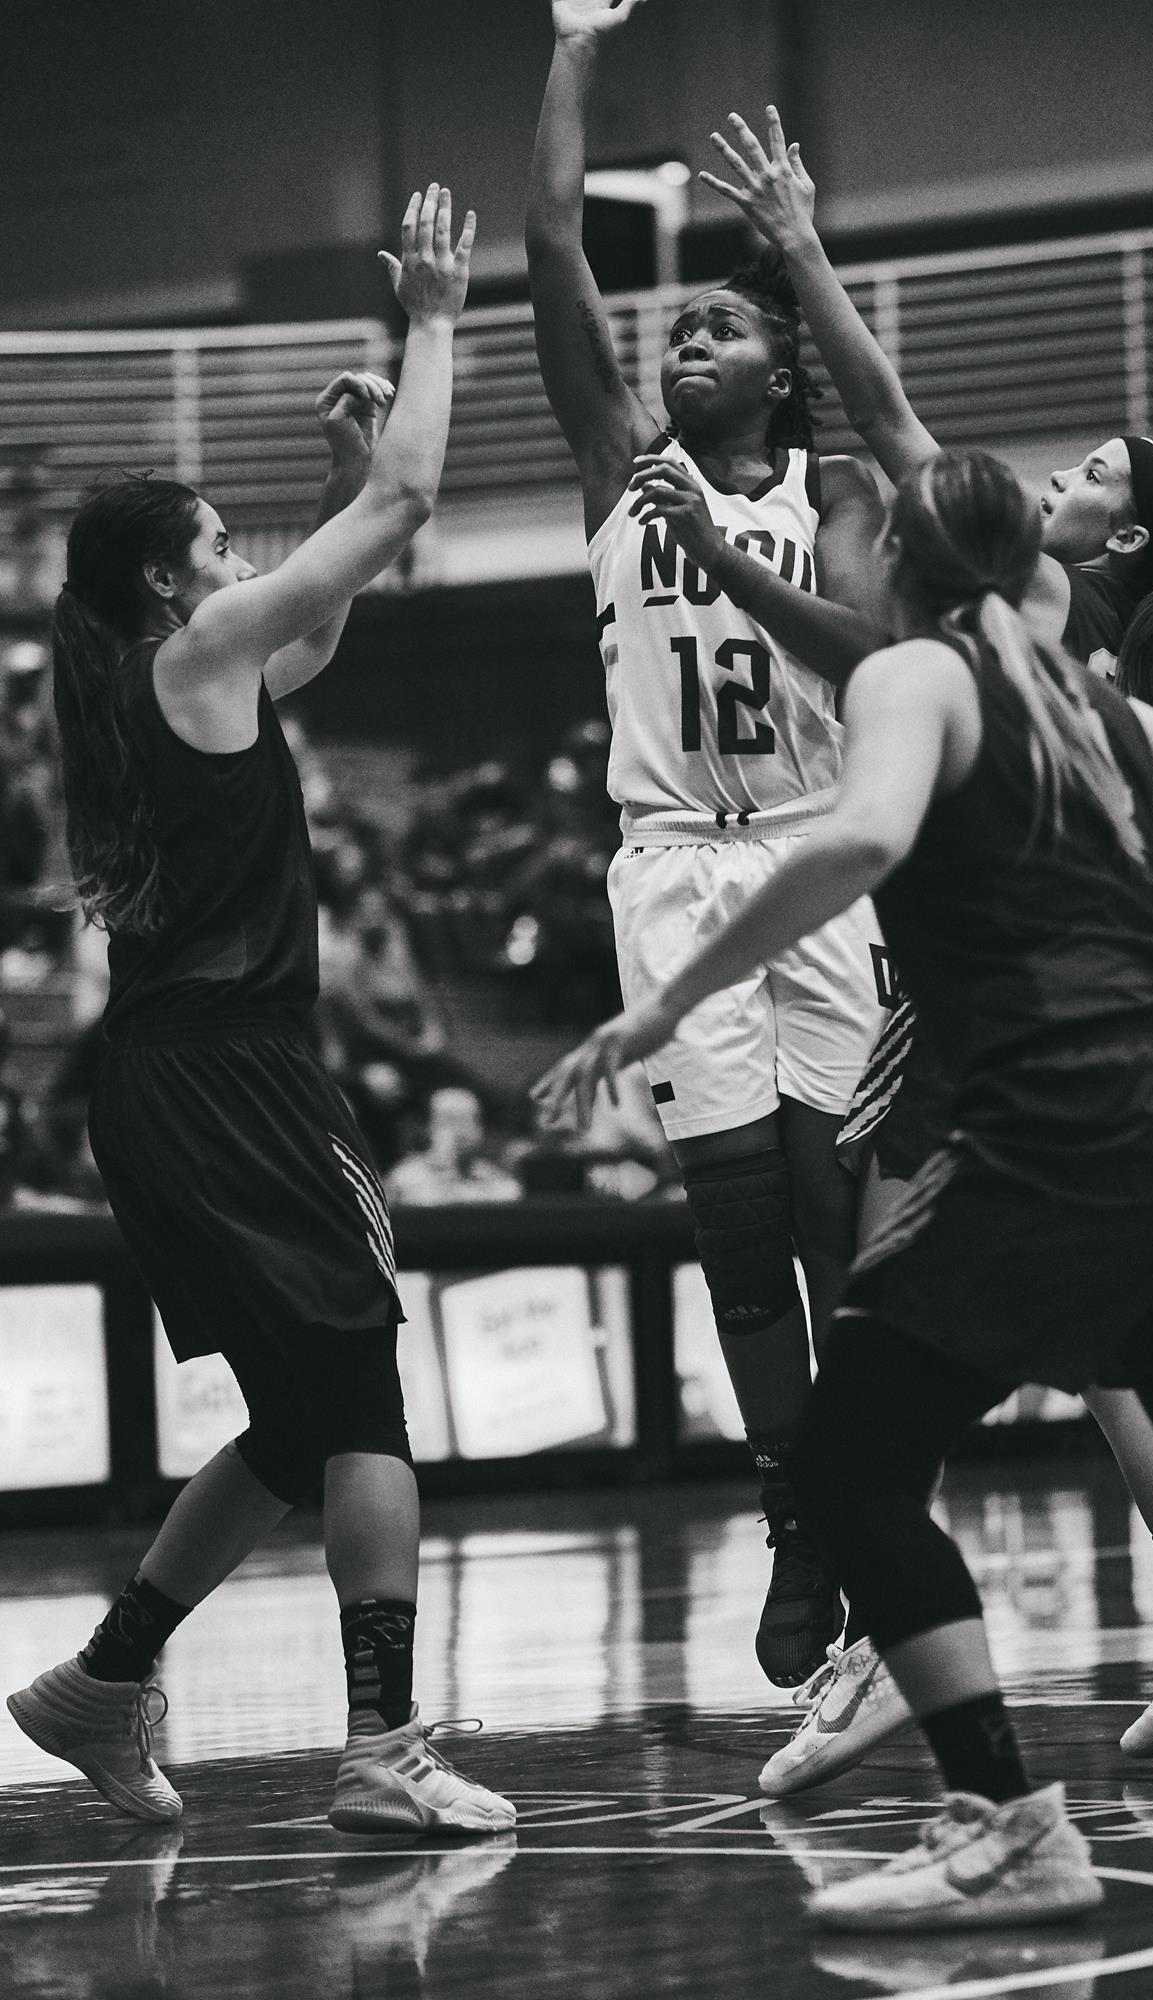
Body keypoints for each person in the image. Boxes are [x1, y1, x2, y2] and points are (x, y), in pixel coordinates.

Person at [534, 446, 1153, 1931]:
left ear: (895, 556)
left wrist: (661, 1005)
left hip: (1084, 1111)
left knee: (846, 1464)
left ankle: (1007, 1820)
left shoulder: (915, 672)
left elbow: (859, 837)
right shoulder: (1098, 707)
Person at [700, 103, 1153, 1783]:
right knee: (1125, 1351)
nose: (1054, 478)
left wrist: (801, 255)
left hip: (993, 1013)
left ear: (1096, 541)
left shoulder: (999, 615)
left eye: (1086, 478)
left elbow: (896, 444)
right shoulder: (1094, 621)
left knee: (890, 1317)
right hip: (1150, 1036)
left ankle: (902, 1637)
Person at [7, 183, 515, 1841]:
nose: (243, 566)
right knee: (361, 1393)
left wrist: (327, 497)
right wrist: (434, 318)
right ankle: (383, 1748)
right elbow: (415, 502)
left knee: (301, 1419)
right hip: (228, 1075)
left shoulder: (171, 676)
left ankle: (101, 1682)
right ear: (173, 585)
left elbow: (325, 616)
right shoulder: (194, 651)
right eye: (222, 545)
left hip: (173, 1080)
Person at [527, 0, 897, 1687]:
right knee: (738, 1236)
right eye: (677, 321)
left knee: (840, 1233)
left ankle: (857, 1498)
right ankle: (792, 1508)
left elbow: (852, 655)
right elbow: (546, 246)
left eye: (722, 324)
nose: (685, 334)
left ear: (775, 370)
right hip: (673, 866)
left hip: (821, 854)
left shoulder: (827, 494)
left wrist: (795, 248)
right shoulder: (620, 468)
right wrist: (574, 47)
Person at [386, 1087, 522, 1206]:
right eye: (449, 1120)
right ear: (429, 1128)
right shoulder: (405, 1178)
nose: (460, 1131)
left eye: (468, 1120)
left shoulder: (498, 1180)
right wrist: (445, 1166)